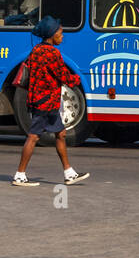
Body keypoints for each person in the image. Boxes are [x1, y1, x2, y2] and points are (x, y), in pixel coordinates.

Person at [12, 16, 89, 187]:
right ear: (52, 34)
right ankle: (19, 174)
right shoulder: (52, 53)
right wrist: (81, 80)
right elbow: (64, 76)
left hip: (46, 102)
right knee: (33, 137)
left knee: (60, 134)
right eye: (60, 33)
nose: (63, 36)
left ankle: (69, 173)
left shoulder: (36, 50)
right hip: (45, 103)